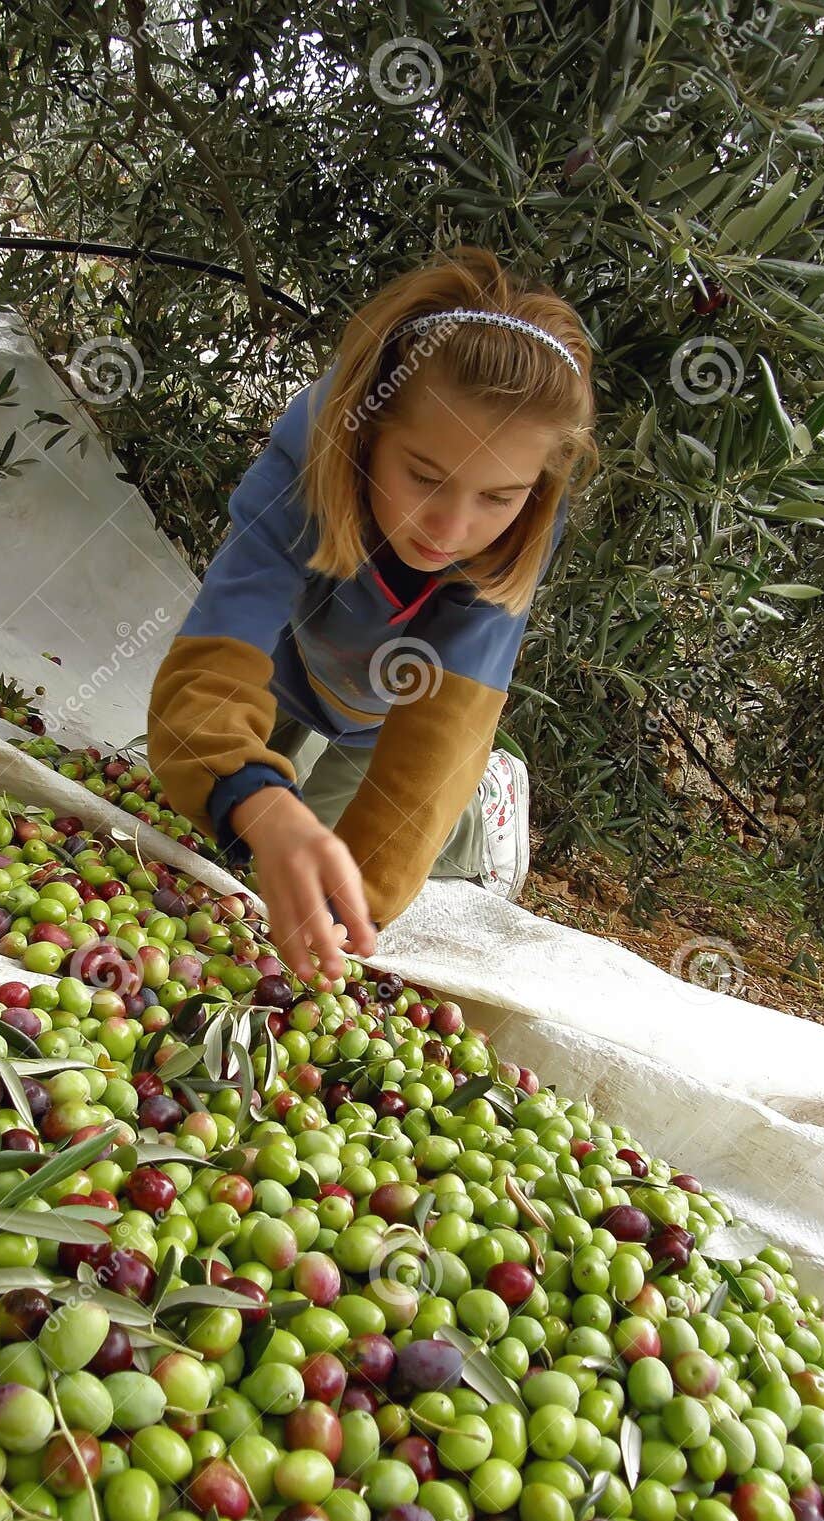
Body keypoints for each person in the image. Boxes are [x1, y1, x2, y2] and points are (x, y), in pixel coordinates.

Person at [148, 246, 597, 981]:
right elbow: (213, 665)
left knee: (330, 874)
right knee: (205, 812)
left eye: (496, 497)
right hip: (283, 665)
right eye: (423, 476)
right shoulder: (310, 448)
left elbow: (437, 737)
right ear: (366, 433)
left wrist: (352, 914)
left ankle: (483, 815)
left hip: (388, 712)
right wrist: (256, 804)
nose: (449, 528)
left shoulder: (524, 527)